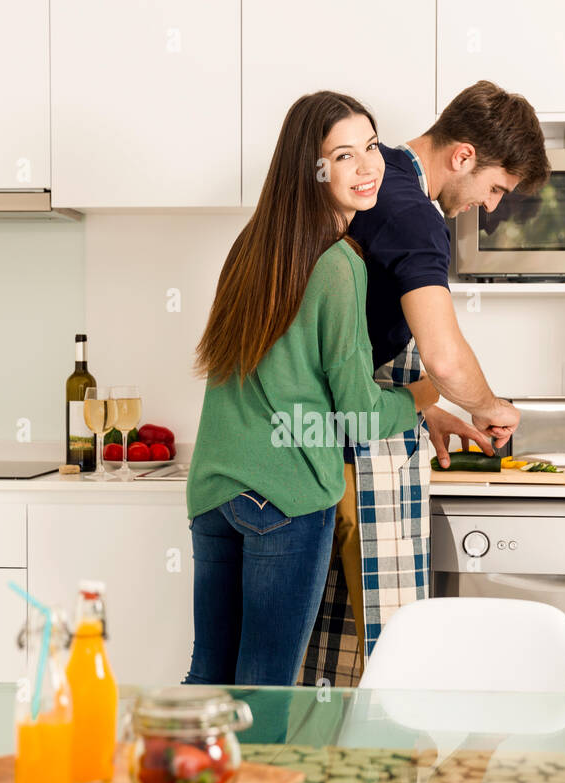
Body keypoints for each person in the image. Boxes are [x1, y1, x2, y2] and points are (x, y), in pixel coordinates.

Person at [184, 91, 440, 687]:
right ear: (313, 170)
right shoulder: (339, 263)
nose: (369, 167)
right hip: (286, 499)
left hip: (214, 493)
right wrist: (426, 396)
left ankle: (185, 778)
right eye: (344, 156)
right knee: (265, 689)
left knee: (211, 681)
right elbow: (356, 413)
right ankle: (260, 782)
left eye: (372, 147)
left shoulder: (248, 248)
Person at [301, 81, 551, 686]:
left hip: (313, 446)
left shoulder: (370, 184)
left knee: (329, 665)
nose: (491, 208)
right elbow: (442, 356)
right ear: (463, 155)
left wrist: (421, 409)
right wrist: (493, 408)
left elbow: (347, 338)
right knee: (390, 668)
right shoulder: (414, 213)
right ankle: (389, 778)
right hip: (350, 464)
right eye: (495, 189)